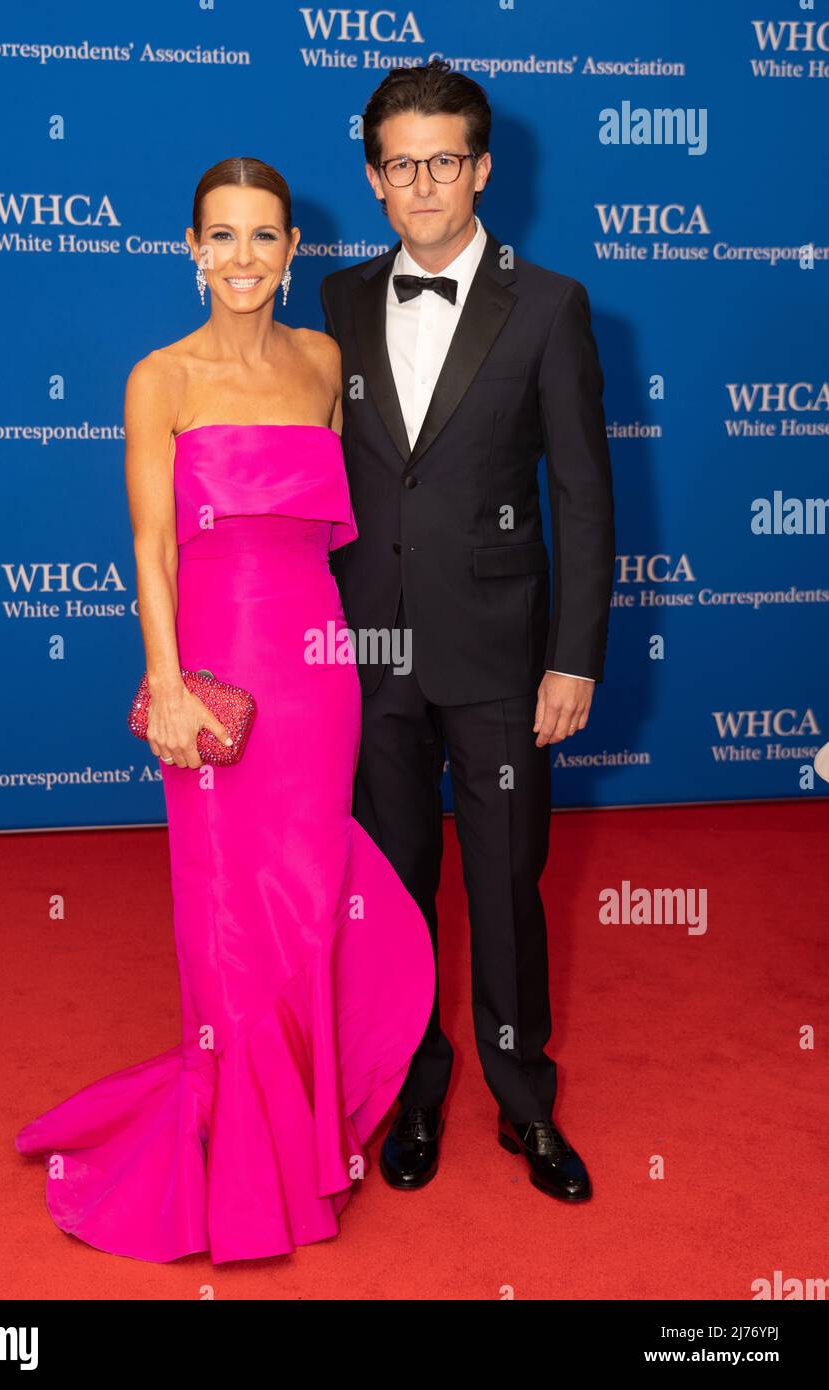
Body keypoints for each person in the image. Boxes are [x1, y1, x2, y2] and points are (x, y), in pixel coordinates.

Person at [14, 157, 435, 1264]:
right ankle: (244, 1160)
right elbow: (151, 549)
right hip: (214, 674)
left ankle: (299, 1141)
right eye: (223, 236)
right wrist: (164, 686)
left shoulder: (323, 362)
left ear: (294, 252)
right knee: (227, 923)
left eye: (265, 237)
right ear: (191, 249)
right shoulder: (162, 377)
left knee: (309, 904)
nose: (243, 258)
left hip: (316, 669)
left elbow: (335, 532)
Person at [320, 61, 615, 1200]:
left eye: (447, 160)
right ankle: (412, 1089)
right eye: (404, 164)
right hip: (369, 649)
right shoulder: (338, 302)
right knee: (391, 888)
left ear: (483, 169)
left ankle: (524, 1100)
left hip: (500, 650)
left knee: (504, 881)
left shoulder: (549, 304)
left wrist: (574, 652)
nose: (427, 182)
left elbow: (584, 495)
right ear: (376, 180)